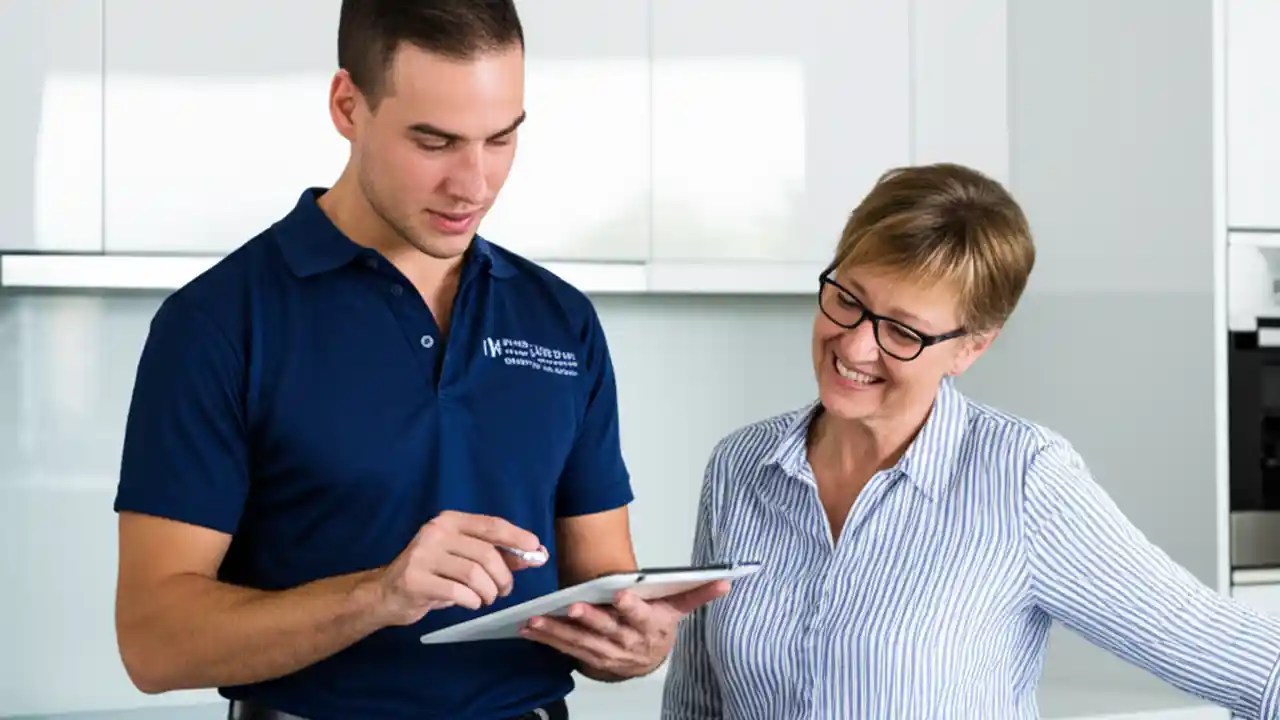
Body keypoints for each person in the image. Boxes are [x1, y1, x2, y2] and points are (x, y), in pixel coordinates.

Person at [112, 2, 727, 718]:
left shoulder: (561, 321)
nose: (474, 184)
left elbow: (601, 578)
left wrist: (638, 646)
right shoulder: (218, 324)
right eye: (434, 142)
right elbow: (153, 644)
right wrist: (380, 597)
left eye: (500, 139)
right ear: (348, 105)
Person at [660, 163, 1280, 719]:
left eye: (902, 331)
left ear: (972, 346)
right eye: (848, 299)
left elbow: (1241, 660)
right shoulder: (740, 467)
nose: (853, 346)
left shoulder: (1022, 479)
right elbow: (695, 704)